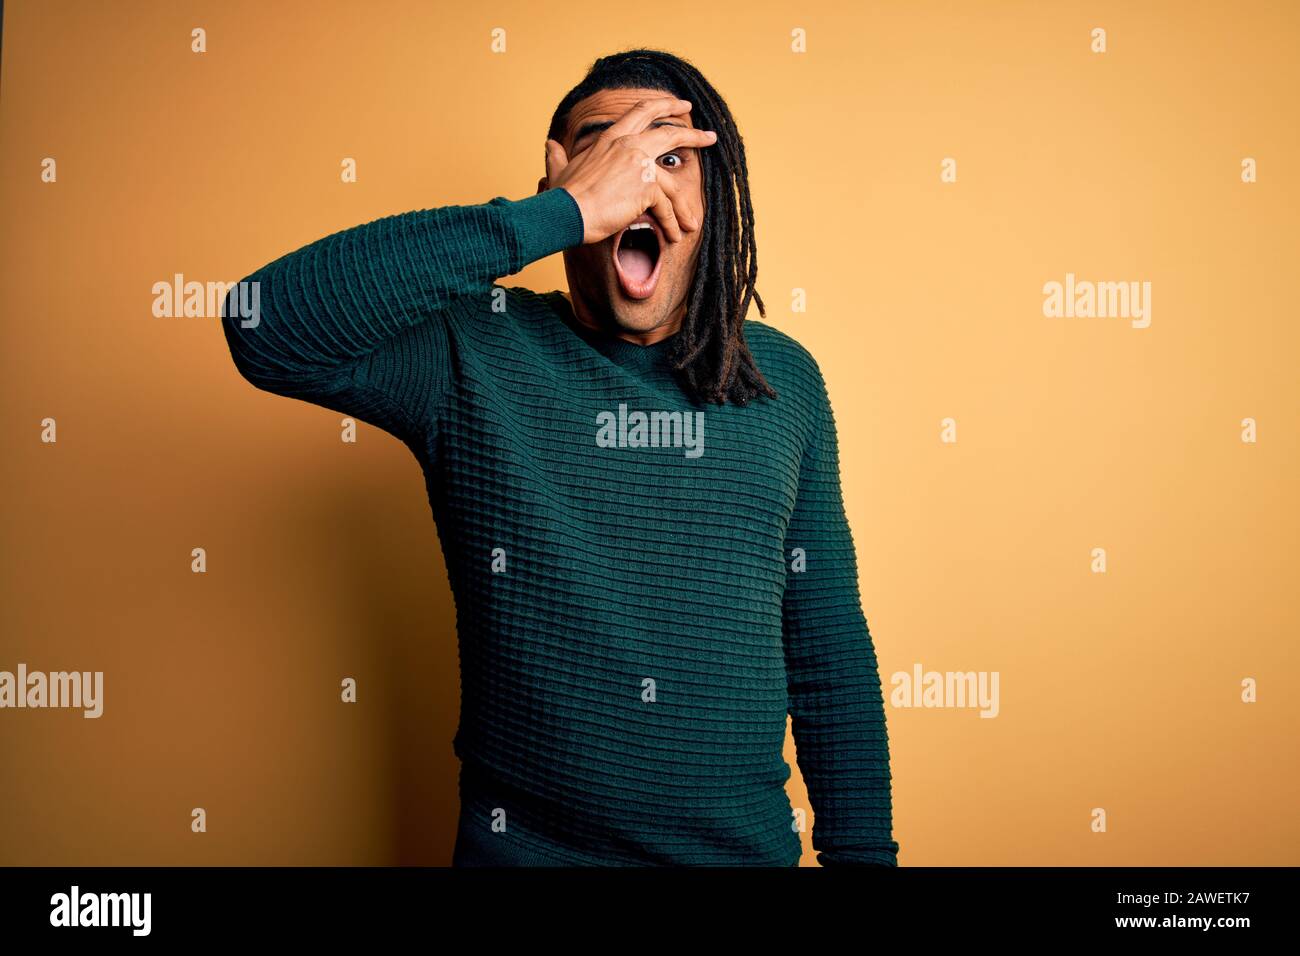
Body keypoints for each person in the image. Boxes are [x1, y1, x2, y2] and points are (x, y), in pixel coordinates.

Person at [221, 48, 899, 867]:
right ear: (563, 179)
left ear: (711, 200)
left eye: (671, 154)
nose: (640, 175)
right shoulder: (472, 350)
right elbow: (265, 326)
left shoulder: (783, 380)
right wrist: (553, 214)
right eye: (606, 147)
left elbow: (830, 657)